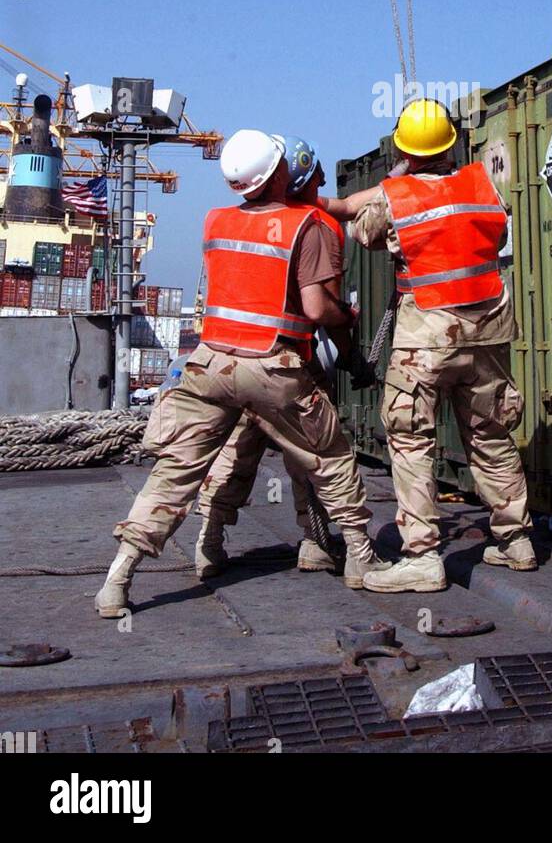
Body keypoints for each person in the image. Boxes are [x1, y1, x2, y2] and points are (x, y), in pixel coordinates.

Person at [94, 129, 387, 617]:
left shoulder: (216, 221)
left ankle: (121, 577)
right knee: (327, 455)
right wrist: (346, 323)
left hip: (209, 365)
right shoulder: (307, 225)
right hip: (274, 364)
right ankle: (361, 556)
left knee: (177, 471)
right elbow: (316, 308)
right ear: (280, 173)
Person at [348, 98, 536, 594]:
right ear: (452, 145)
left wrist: (394, 181)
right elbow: (491, 240)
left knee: (411, 440)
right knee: (491, 433)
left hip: (426, 339)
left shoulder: (396, 194)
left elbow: (362, 232)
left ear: (406, 151)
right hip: (489, 331)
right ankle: (516, 540)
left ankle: (422, 556)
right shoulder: (483, 184)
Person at [194, 136, 375, 578]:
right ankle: (323, 544)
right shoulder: (315, 226)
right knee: (316, 454)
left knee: (236, 451)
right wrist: (351, 355)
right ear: (309, 176)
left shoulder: (233, 221)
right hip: (289, 362)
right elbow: (324, 310)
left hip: (228, 360)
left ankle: (209, 541)